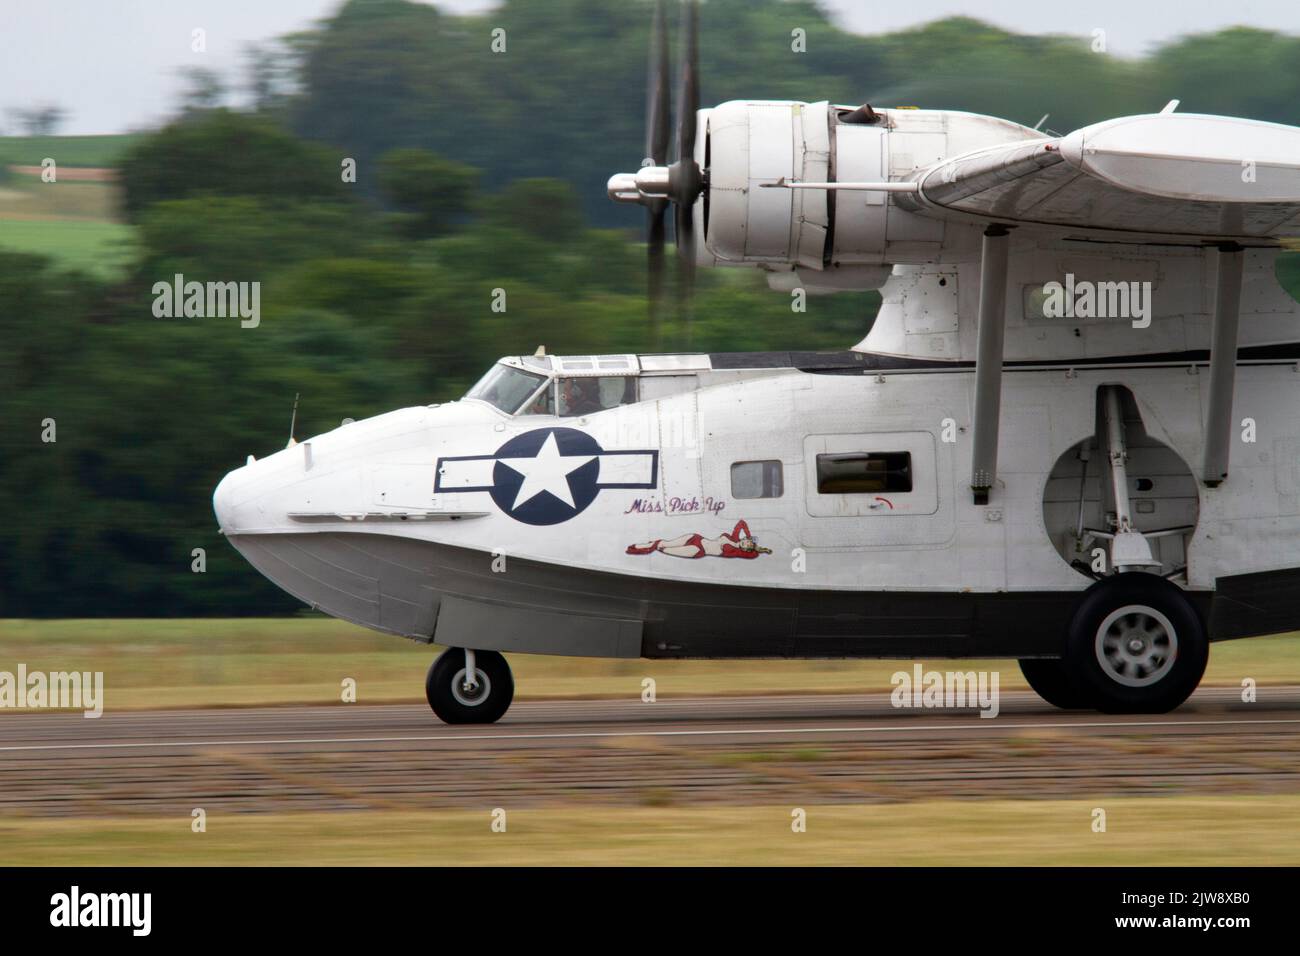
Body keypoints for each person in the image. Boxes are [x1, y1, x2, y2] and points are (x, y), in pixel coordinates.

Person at [626, 519, 771, 559]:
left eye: (747, 544)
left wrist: (759, 549)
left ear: (745, 548)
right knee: (664, 542)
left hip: (698, 550)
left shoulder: (736, 552)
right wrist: (749, 534)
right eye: (747, 540)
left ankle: (636, 549)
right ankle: (635, 546)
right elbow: (741, 523)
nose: (745, 541)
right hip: (697, 538)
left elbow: (753, 554)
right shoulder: (733, 537)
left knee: (663, 549)